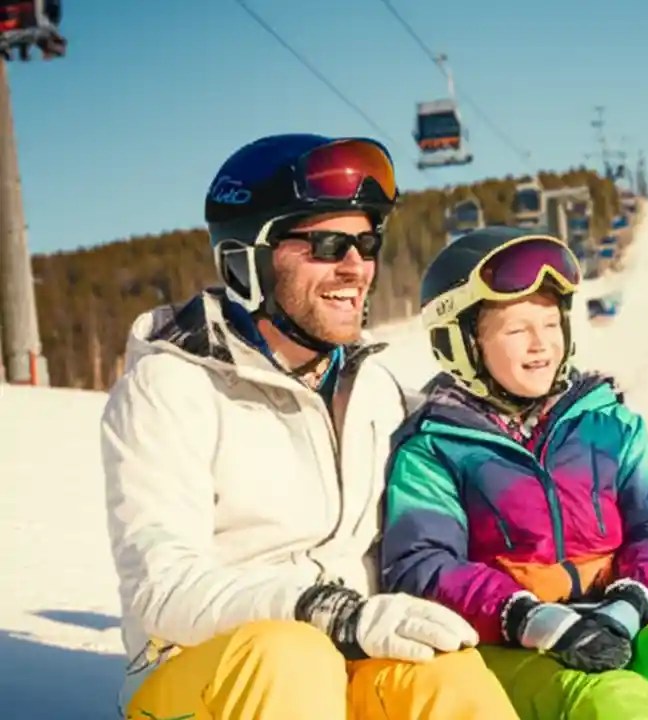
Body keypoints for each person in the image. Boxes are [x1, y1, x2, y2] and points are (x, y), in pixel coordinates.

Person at [102, 133, 517, 719]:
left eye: (367, 242)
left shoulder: (374, 388)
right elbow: (162, 589)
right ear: (245, 260)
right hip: (204, 673)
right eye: (327, 244)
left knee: (444, 667)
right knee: (289, 654)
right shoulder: (171, 388)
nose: (357, 267)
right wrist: (330, 612)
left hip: (346, 658)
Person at [382, 227, 648, 719]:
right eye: (517, 330)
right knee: (614, 701)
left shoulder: (606, 424)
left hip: (622, 619)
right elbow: (423, 562)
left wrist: (634, 599)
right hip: (513, 647)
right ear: (459, 342)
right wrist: (527, 616)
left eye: (550, 324)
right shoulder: (438, 447)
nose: (541, 345)